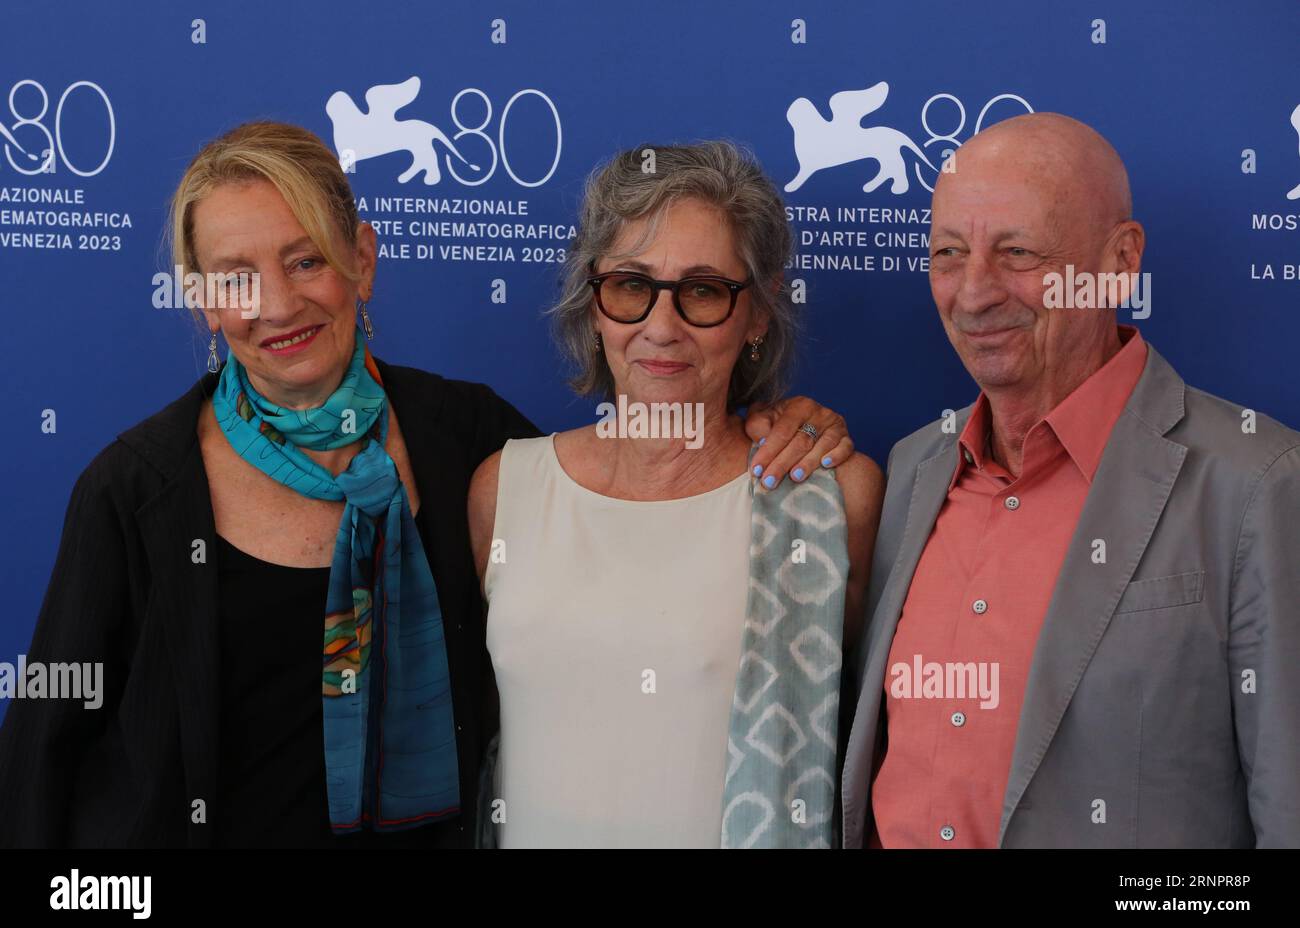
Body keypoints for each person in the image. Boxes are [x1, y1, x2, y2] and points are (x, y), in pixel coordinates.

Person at [0, 122, 856, 848]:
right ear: (199, 299)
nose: (277, 304)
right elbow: (41, 764)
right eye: (235, 276)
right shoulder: (137, 491)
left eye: (306, 260)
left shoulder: (471, 446)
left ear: (362, 263)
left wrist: (780, 419)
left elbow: (633, 499)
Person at [840, 113, 1300, 849]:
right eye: (949, 253)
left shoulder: (1258, 482)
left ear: (1120, 261)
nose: (975, 292)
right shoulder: (909, 468)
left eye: (1017, 251)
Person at [469, 141, 883, 848]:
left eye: (702, 290)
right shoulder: (504, 486)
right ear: (593, 303)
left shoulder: (829, 496)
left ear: (757, 312)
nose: (661, 328)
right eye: (632, 285)